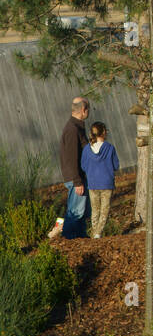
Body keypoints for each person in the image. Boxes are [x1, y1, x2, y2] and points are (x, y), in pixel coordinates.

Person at [48, 95, 91, 240]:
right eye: (88, 109)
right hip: (75, 178)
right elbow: (72, 158)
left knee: (81, 211)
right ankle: (67, 239)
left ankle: (81, 237)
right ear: (83, 110)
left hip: (78, 177)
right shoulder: (73, 129)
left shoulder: (76, 127)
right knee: (76, 211)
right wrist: (77, 181)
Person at [81, 121, 120, 239]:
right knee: (104, 210)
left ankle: (94, 233)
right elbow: (116, 166)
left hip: (93, 184)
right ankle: (98, 232)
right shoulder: (110, 148)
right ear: (103, 133)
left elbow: (83, 166)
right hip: (107, 183)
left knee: (95, 210)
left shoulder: (87, 149)